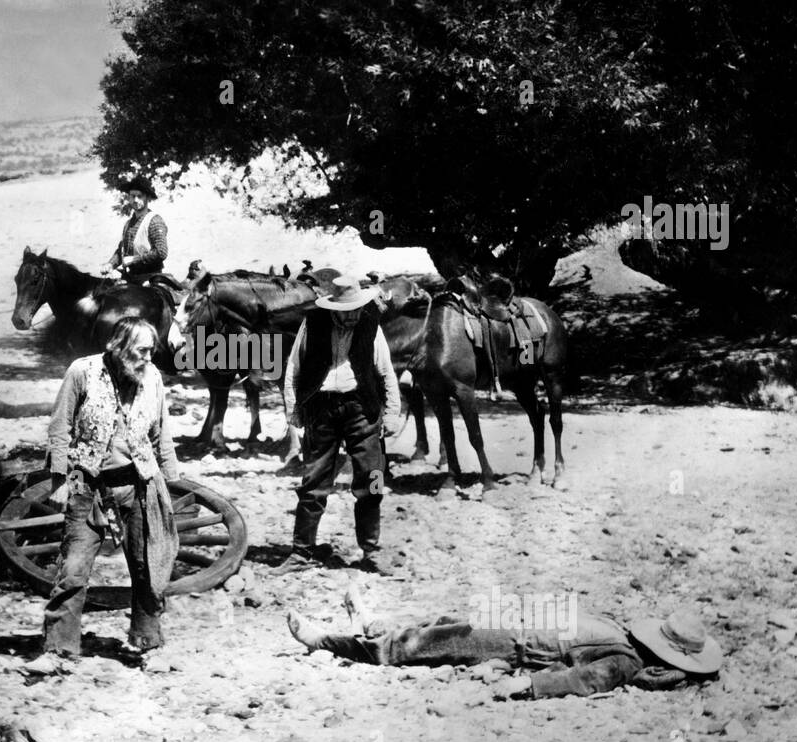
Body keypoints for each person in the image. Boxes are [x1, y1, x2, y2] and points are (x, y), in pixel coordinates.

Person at [29, 317, 180, 675]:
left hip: (139, 485)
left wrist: (170, 480)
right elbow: (60, 426)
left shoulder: (153, 378)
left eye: (151, 350)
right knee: (73, 569)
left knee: (148, 567)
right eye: (141, 350)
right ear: (119, 346)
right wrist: (59, 481)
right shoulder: (83, 372)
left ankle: (148, 643)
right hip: (87, 486)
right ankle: (59, 650)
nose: (147, 357)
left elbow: (161, 431)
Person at [286, 585, 723, 699]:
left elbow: (586, 680)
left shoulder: (624, 660)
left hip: (512, 643)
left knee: (419, 647)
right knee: (439, 628)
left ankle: (325, 641)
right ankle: (372, 623)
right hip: (517, 620)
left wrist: (530, 687)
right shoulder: (620, 633)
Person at [278, 275, 400, 575]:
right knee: (313, 481)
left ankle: (371, 551)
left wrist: (392, 413)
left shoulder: (371, 324)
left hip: (361, 409)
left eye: (356, 309)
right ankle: (301, 552)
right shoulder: (313, 323)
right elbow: (294, 366)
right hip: (321, 410)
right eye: (346, 310)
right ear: (334, 309)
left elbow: (385, 372)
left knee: (372, 478)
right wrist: (293, 409)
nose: (352, 315)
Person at [102, 175, 169, 283]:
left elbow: (161, 252)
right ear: (128, 198)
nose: (135, 200)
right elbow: (122, 251)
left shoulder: (154, 221)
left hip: (151, 278)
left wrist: (135, 259)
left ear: (147, 197)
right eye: (132, 196)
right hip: (130, 277)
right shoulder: (128, 224)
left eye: (139, 196)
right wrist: (110, 264)